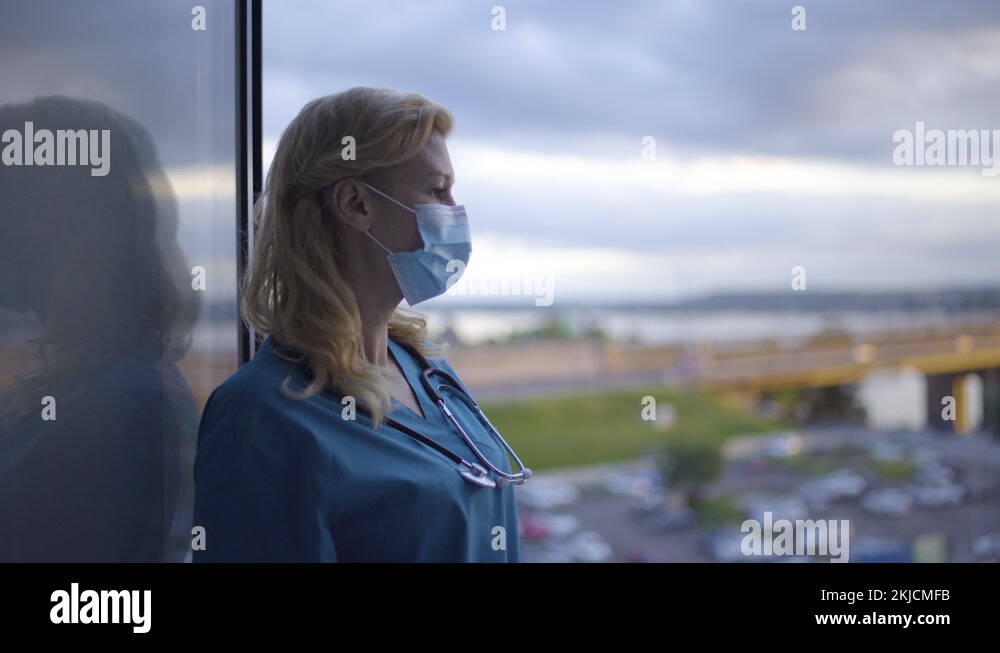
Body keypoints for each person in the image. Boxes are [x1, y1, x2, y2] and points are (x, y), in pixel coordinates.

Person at [192, 87, 521, 562]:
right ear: (356, 203)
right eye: (435, 190)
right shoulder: (260, 417)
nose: (454, 210)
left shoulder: (427, 371)